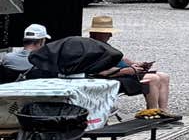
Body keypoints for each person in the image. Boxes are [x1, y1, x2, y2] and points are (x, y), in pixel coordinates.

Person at [25, 16, 173, 116]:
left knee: (164, 76)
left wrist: (135, 64)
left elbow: (121, 58)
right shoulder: (87, 48)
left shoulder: (103, 46)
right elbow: (98, 72)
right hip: (108, 78)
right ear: (97, 33)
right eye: (107, 32)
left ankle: (163, 111)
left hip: (119, 73)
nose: (110, 35)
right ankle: (153, 112)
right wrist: (129, 70)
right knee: (152, 79)